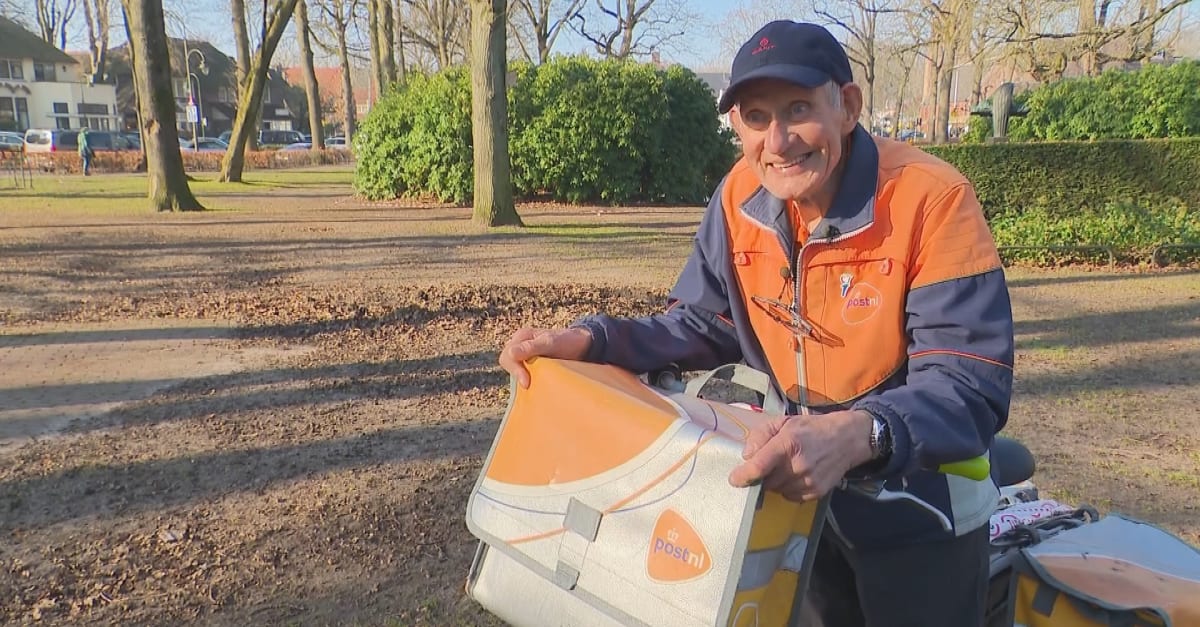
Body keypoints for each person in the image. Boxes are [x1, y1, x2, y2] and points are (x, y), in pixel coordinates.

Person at [499, 20, 1014, 627]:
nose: (778, 139)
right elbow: (701, 318)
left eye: (799, 108)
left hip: (925, 514)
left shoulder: (933, 199)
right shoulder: (737, 196)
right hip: (800, 505)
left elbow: (968, 382)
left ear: (847, 106)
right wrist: (596, 338)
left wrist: (858, 437)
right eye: (755, 115)